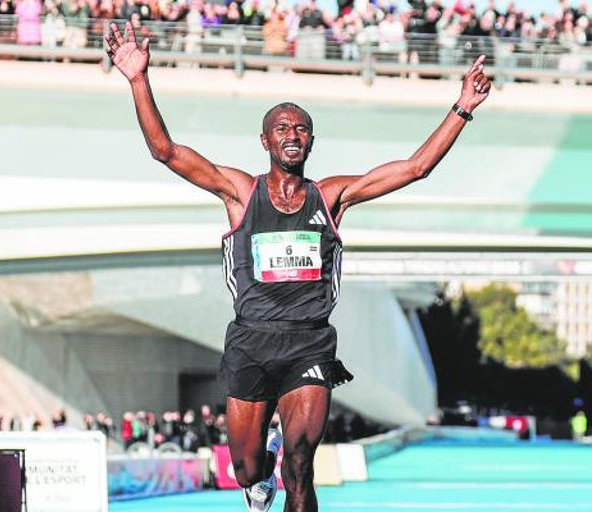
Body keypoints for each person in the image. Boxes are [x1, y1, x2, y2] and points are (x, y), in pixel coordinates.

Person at [104, 21, 491, 512]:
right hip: (251, 341)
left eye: (302, 128)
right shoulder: (241, 192)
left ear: (311, 141)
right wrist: (138, 79)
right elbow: (167, 151)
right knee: (245, 467)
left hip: (309, 339)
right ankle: (256, 474)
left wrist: (462, 108)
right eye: (282, 128)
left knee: (301, 465)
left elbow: (415, 168)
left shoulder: (330, 197)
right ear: (265, 141)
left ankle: (285, 473)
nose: (293, 134)